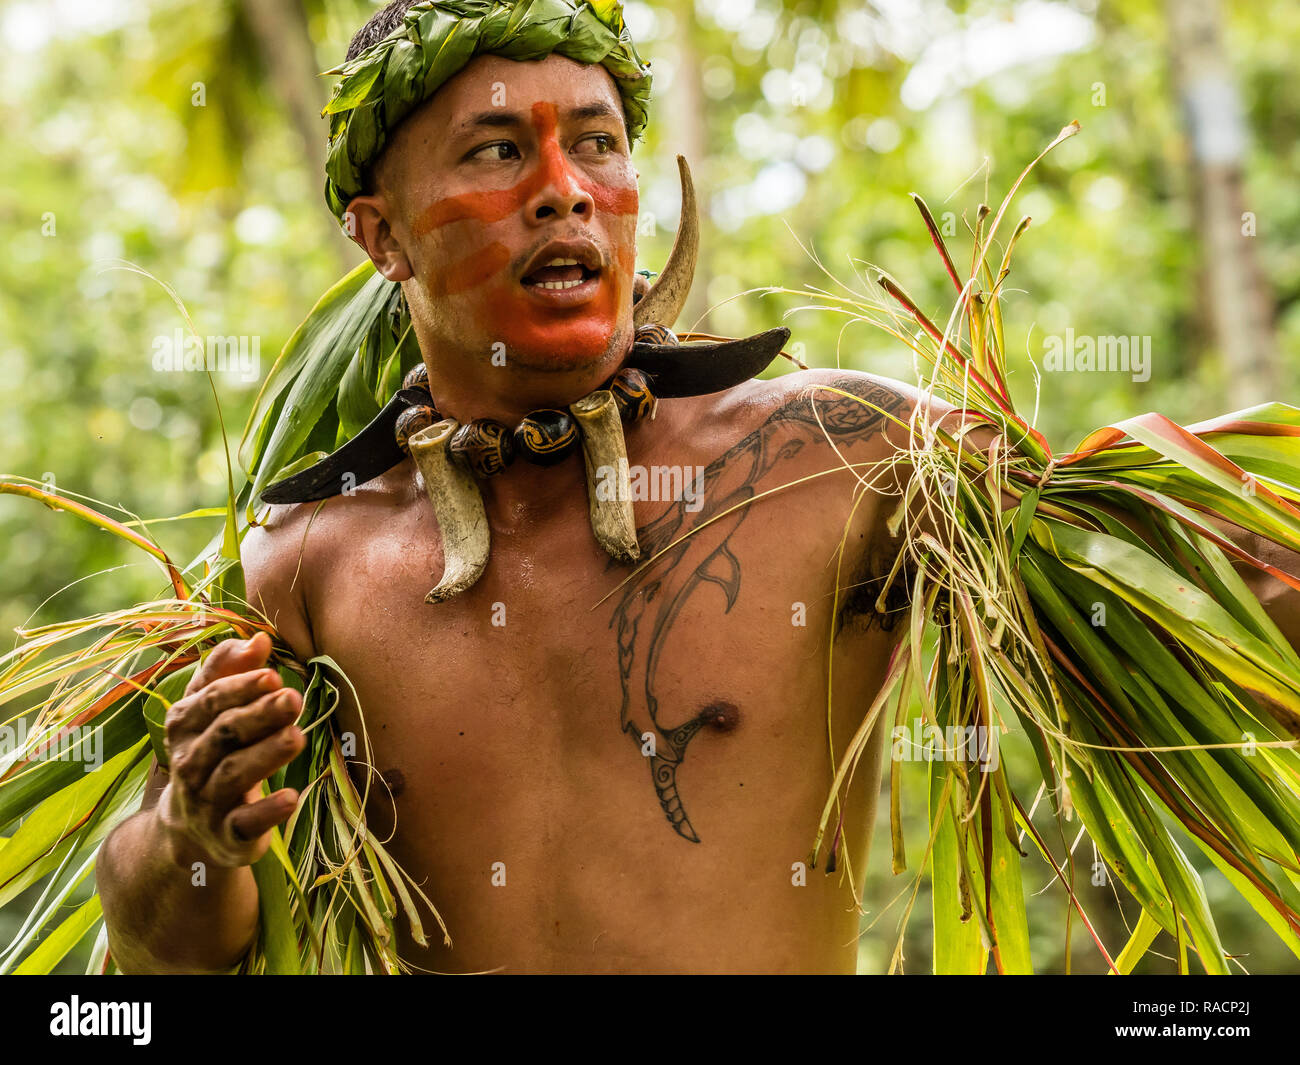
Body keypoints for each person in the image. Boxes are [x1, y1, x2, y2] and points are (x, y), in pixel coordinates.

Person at [94, 0, 1300, 975]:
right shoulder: (307, 564)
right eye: (499, 150)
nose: (565, 187)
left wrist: (1243, 572)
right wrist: (192, 835)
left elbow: (1208, 592)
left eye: (598, 142)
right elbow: (159, 955)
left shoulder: (846, 453)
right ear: (381, 236)